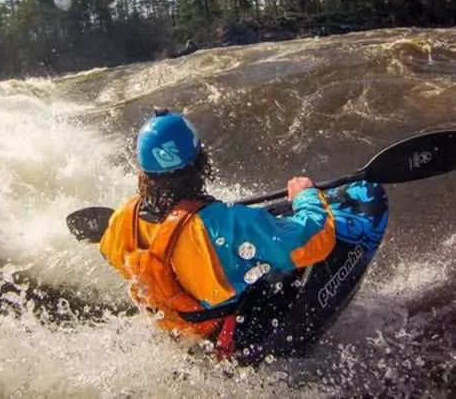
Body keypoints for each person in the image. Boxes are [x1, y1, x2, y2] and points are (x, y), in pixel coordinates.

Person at [99, 109, 388, 365]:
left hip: (190, 329)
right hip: (241, 335)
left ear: (144, 171)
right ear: (199, 161)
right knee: (364, 200)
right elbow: (315, 240)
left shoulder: (123, 219)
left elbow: (109, 251)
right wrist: (307, 196)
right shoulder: (224, 224)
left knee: (270, 220)